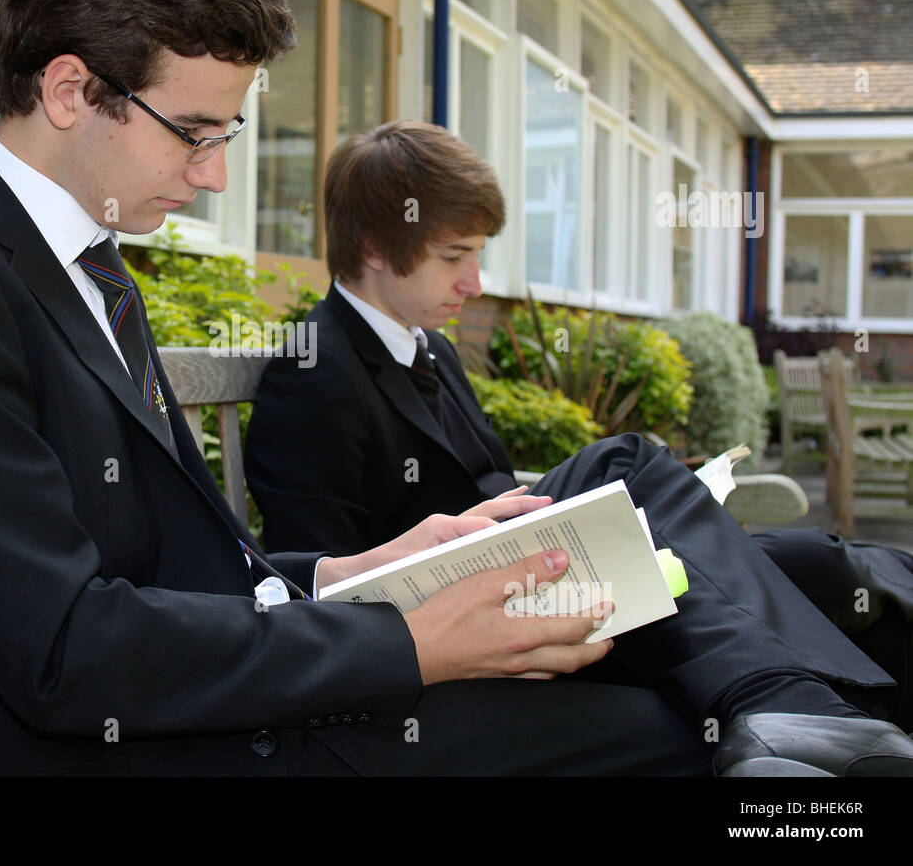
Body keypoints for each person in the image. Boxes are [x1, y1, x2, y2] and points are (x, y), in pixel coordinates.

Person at [0, 0, 912, 776]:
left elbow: (178, 577)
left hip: (193, 708)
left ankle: (789, 710)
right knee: (658, 725)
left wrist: (360, 568)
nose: (215, 175)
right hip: (93, 748)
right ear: (67, 89)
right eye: (193, 132)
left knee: (642, 555)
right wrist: (417, 642)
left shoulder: (79, 266)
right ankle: (791, 715)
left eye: (226, 134)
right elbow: (58, 651)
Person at [244, 119, 913, 755]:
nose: (474, 284)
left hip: (549, 574)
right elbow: (318, 583)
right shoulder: (315, 371)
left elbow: (500, 489)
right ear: (373, 249)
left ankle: (830, 730)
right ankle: (797, 711)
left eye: (477, 256)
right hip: (475, 624)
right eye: (455, 257)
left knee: (817, 566)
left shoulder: (433, 353)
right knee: (628, 462)